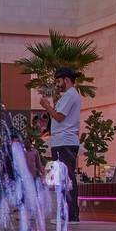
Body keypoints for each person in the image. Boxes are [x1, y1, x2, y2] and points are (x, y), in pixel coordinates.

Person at [39, 66, 82, 222]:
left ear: (66, 80)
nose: (57, 85)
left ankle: (71, 214)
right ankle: (67, 212)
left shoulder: (71, 95)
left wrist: (47, 106)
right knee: (62, 177)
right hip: (61, 141)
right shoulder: (67, 96)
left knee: (66, 177)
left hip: (65, 141)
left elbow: (59, 117)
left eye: (59, 81)